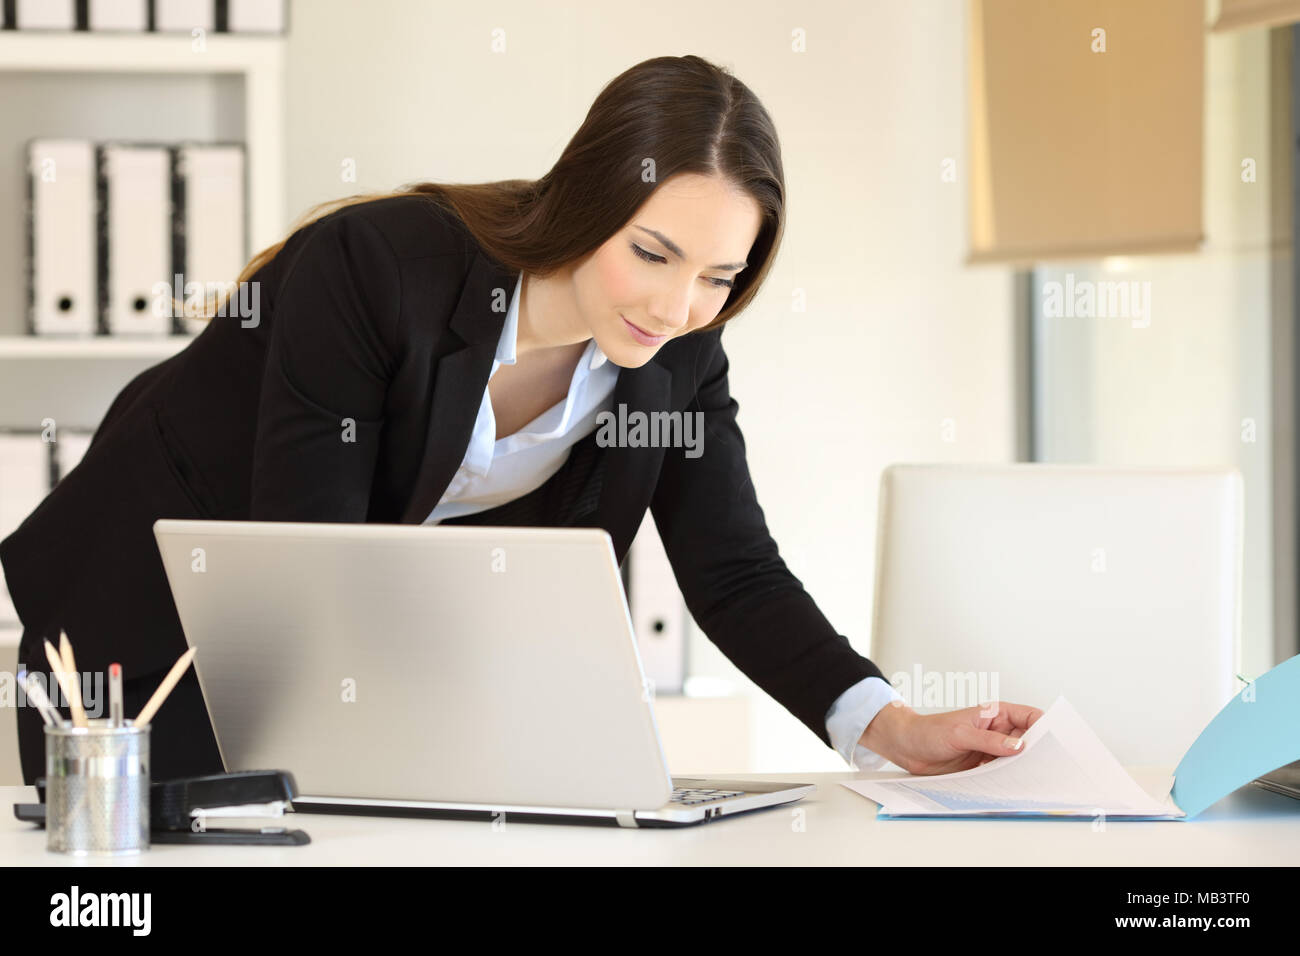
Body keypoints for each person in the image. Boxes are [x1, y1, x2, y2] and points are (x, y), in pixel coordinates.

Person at [0, 54, 1040, 786]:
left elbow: (732, 569)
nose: (678, 306)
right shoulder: (380, 268)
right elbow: (305, 558)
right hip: (135, 635)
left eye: (719, 277)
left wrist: (886, 723)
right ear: (588, 199)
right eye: (652, 253)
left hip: (336, 651)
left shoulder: (674, 359)